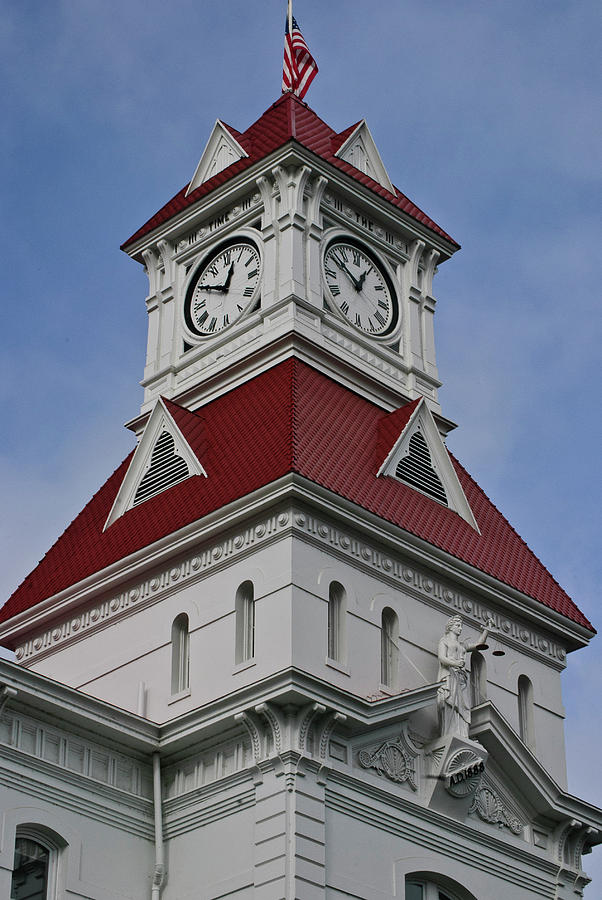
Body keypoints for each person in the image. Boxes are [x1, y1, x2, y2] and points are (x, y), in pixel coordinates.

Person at [437, 615, 493, 739]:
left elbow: (479, 644)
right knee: (450, 702)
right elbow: (442, 658)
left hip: (462, 679)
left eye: (461, 626)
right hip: (450, 677)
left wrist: (487, 629)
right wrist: (455, 663)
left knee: (464, 706)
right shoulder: (444, 641)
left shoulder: (462, 645)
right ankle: (449, 732)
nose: (460, 628)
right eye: (458, 625)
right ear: (450, 627)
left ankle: (462, 734)